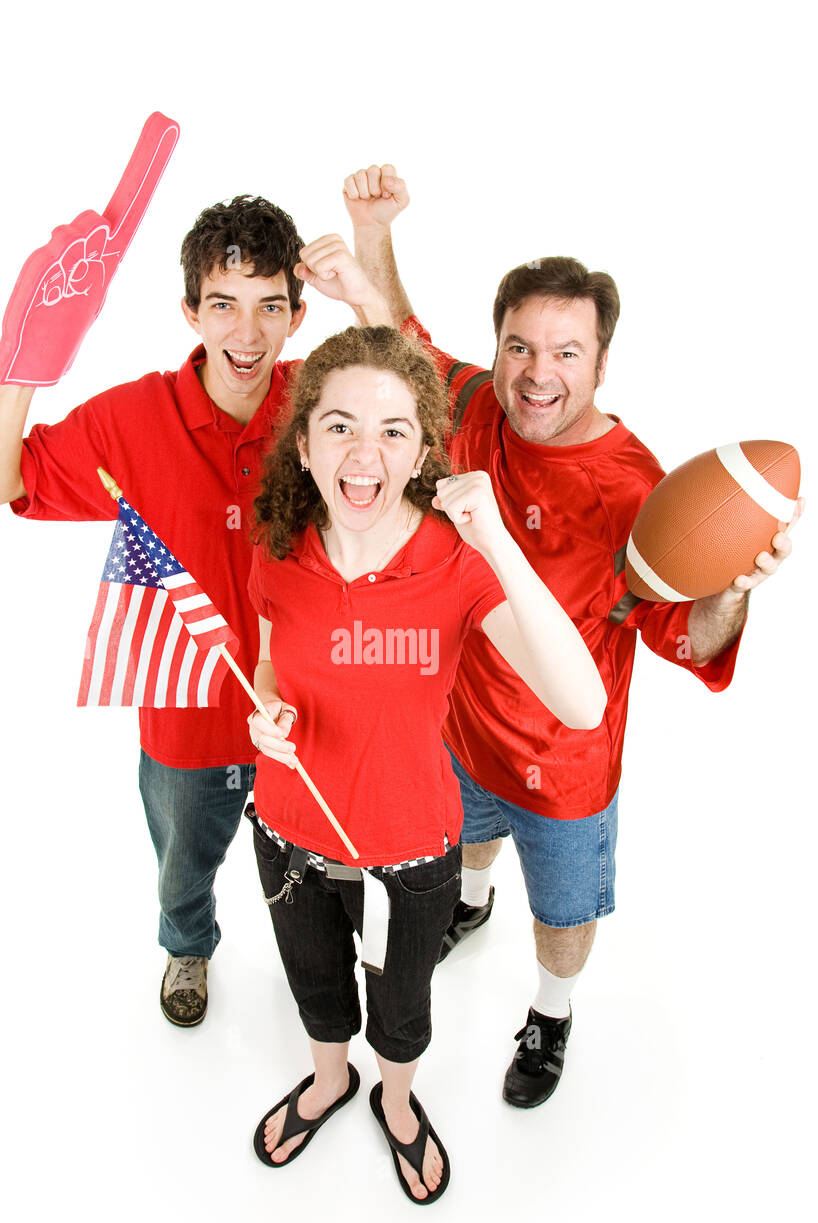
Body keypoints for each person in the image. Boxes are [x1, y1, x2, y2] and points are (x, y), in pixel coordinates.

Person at [344, 164, 800, 1109]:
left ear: (600, 364)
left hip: (566, 764)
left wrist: (737, 591)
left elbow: (692, 638)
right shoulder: (473, 408)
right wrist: (374, 228)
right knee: (465, 847)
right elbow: (405, 339)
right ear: (498, 350)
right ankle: (472, 905)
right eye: (519, 347)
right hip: (461, 726)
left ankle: (552, 1013)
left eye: (564, 352)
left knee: (563, 916)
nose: (537, 374)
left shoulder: (636, 491)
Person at [0, 189, 390, 1029]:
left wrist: (371, 295)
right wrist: (25, 361)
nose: (247, 332)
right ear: (189, 312)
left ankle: (334, 972)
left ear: (297, 315)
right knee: (183, 865)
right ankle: (186, 945)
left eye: (270, 306)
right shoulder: (132, 417)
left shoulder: (324, 402)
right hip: (187, 715)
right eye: (224, 305)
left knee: (325, 864)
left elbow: (423, 408)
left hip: (309, 706)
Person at [244, 322, 607, 1201]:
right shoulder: (278, 551)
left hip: (410, 850)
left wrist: (497, 543)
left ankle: (396, 1102)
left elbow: (582, 703)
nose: (365, 453)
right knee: (317, 985)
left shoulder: (453, 562)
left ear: (421, 452)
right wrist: (263, 720)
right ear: (304, 442)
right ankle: (332, 1078)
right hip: (289, 834)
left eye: (393, 431)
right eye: (340, 426)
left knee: (401, 1005)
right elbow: (265, 665)